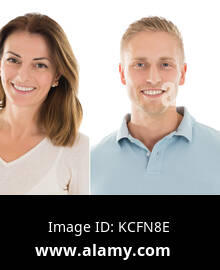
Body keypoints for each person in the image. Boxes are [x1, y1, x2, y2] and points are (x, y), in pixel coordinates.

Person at [0, 13, 88, 195]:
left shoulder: (79, 149)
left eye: (40, 65)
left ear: (57, 75)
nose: (22, 76)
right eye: (13, 60)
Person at [92, 16, 220, 194]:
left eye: (165, 64)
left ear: (182, 74)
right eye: (140, 65)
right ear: (122, 74)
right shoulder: (91, 162)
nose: (153, 78)